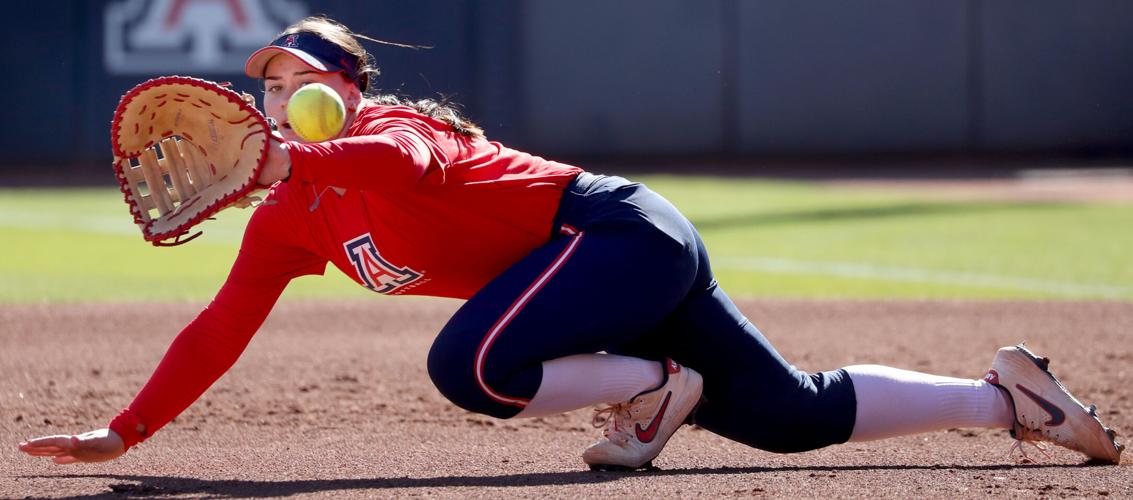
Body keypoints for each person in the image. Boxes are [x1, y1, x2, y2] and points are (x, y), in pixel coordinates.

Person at [18, 16, 1122, 468]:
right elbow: (222, 323)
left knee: (470, 364)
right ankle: (1003, 395)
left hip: (620, 233)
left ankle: (652, 388)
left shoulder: (399, 126)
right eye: (265, 82)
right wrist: (127, 428)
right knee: (787, 418)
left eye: (301, 75)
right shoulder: (286, 214)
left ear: (348, 86)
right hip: (590, 280)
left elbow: (399, 171)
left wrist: (294, 151)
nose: (280, 89)